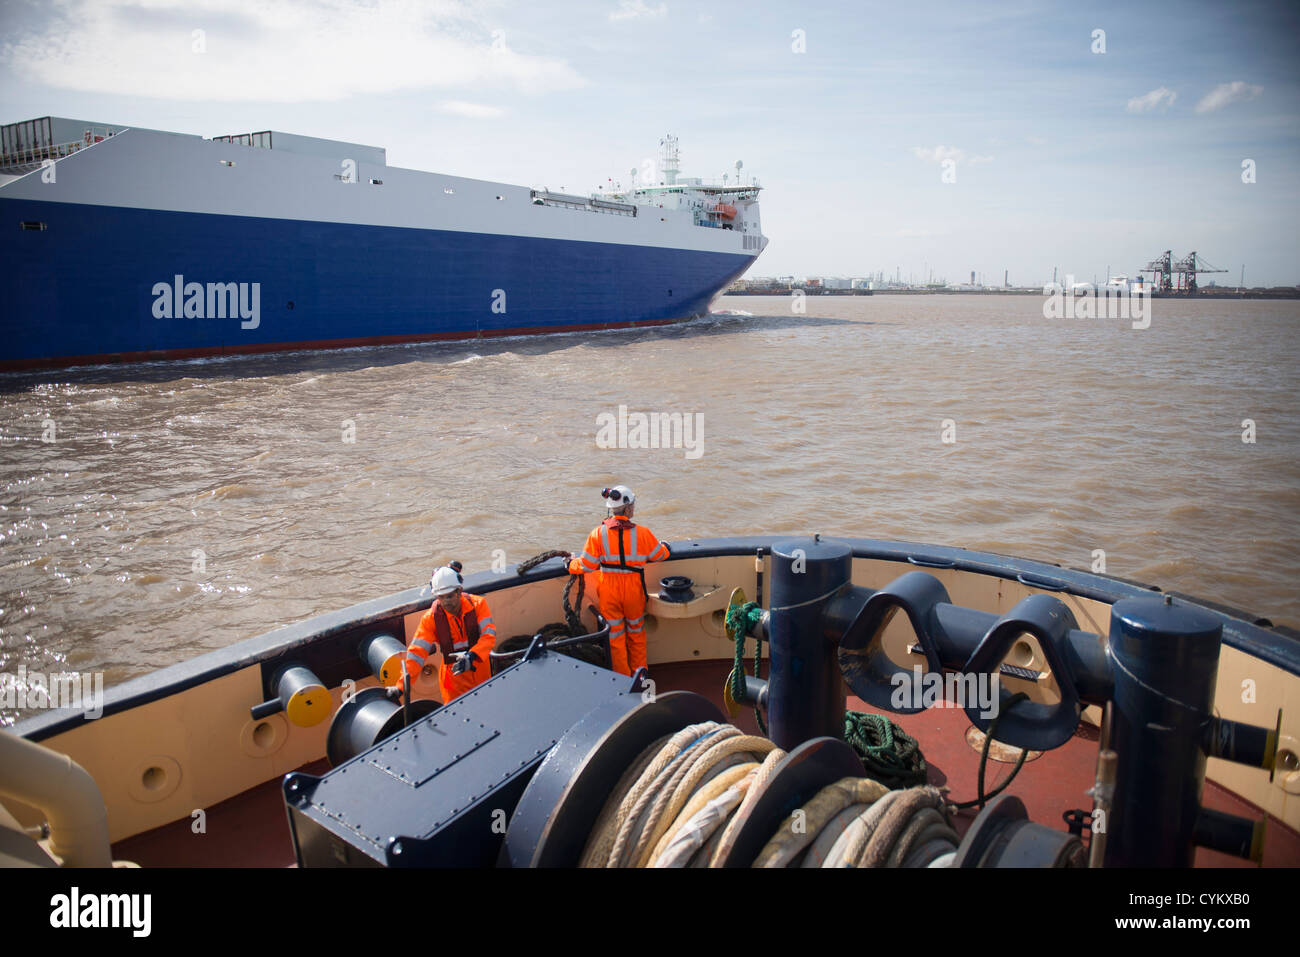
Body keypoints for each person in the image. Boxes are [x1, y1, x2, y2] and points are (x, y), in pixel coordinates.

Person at [569, 485, 670, 676]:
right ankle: (640, 675)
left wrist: (569, 564)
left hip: (609, 591)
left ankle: (623, 679)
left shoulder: (597, 534)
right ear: (629, 508)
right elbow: (660, 554)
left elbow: (587, 565)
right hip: (634, 592)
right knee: (636, 634)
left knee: (615, 638)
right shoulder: (643, 533)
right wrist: (665, 546)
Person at [390, 565, 497, 704]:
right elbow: (416, 654)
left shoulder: (478, 605)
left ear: (459, 591)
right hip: (453, 682)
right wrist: (400, 687)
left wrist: (471, 656)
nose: (446, 602)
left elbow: (488, 636)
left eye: (450, 596)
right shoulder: (430, 619)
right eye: (441, 597)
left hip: (481, 673)